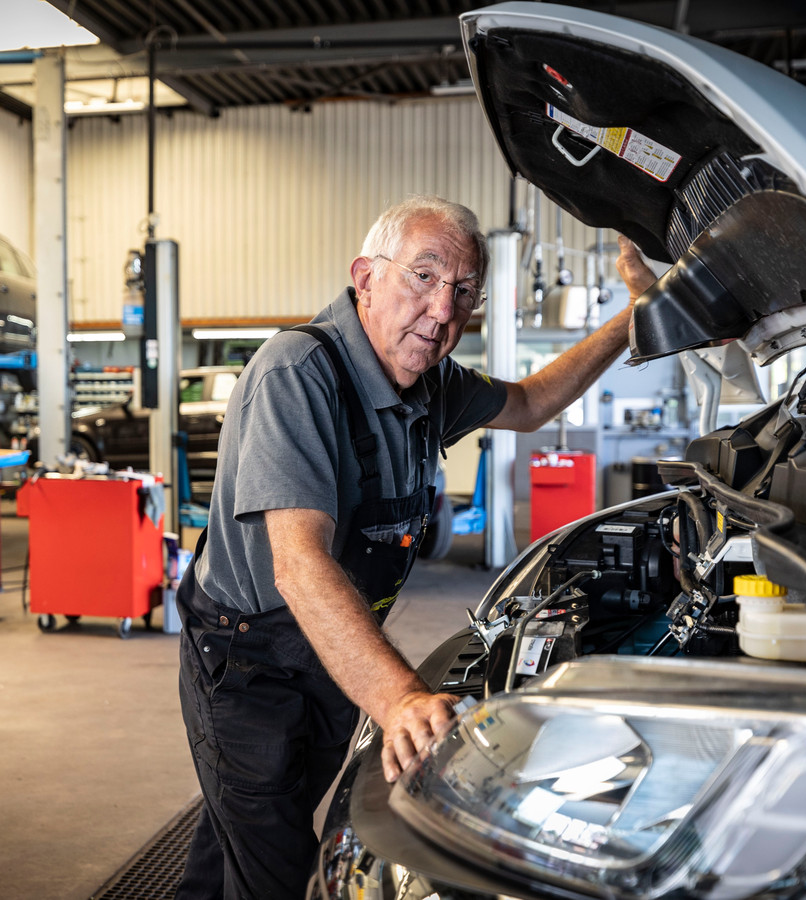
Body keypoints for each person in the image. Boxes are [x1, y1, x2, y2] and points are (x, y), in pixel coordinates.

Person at [173, 195, 658, 899]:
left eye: (464, 292)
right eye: (423, 278)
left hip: (332, 651)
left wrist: (634, 318)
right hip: (249, 663)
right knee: (276, 866)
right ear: (365, 277)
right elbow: (300, 565)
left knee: (239, 838)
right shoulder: (298, 375)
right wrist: (399, 698)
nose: (442, 312)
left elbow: (530, 402)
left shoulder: (433, 383)